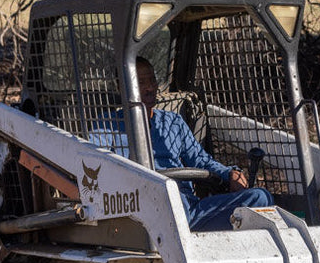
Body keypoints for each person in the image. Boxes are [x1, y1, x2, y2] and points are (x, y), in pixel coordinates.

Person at [93, 57, 273, 231]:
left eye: (153, 80)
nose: (150, 88)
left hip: (188, 209)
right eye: (140, 83)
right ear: (121, 88)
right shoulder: (106, 127)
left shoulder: (172, 122)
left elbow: (201, 161)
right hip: (144, 213)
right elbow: (95, 169)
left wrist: (229, 173)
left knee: (260, 198)